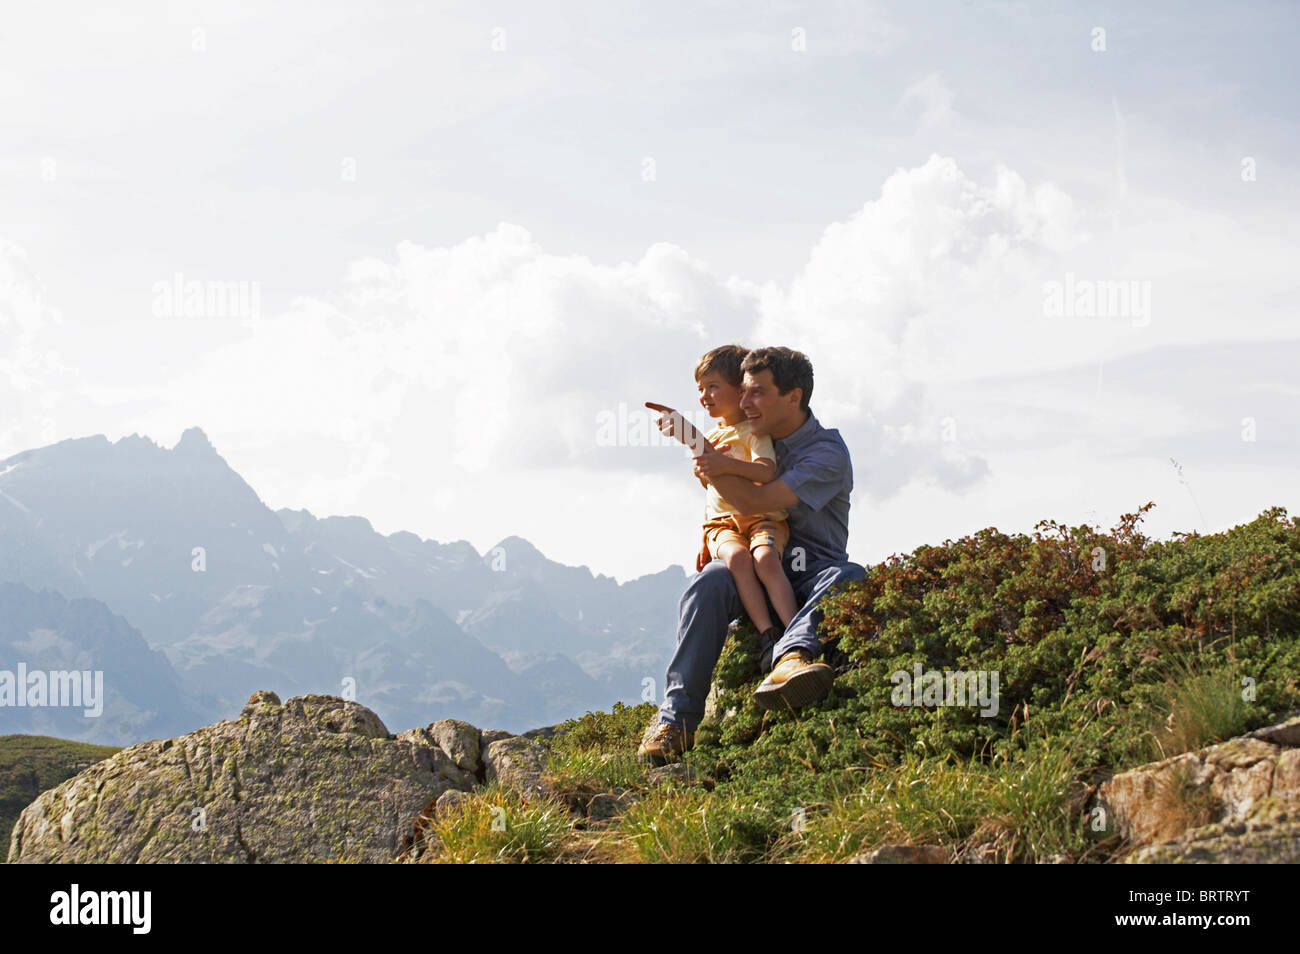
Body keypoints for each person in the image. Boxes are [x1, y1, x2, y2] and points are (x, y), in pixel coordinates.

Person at [639, 346, 866, 766]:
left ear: (793, 397)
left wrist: (708, 464)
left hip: (808, 571)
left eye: (757, 393)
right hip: (754, 562)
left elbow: (759, 497)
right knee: (708, 581)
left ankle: (791, 657)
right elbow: (731, 506)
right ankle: (677, 721)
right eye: (742, 392)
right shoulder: (747, 436)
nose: (744, 403)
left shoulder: (825, 452)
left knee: (848, 575)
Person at [690, 345, 799, 659]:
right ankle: (767, 633)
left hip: (762, 517)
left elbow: (766, 472)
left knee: (765, 559)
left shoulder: (754, 431)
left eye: (713, 387)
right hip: (722, 524)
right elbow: (712, 494)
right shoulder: (711, 439)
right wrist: (703, 538)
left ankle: (794, 630)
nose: (704, 396)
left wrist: (725, 466)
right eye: (700, 389)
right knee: (737, 560)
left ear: (739, 388)